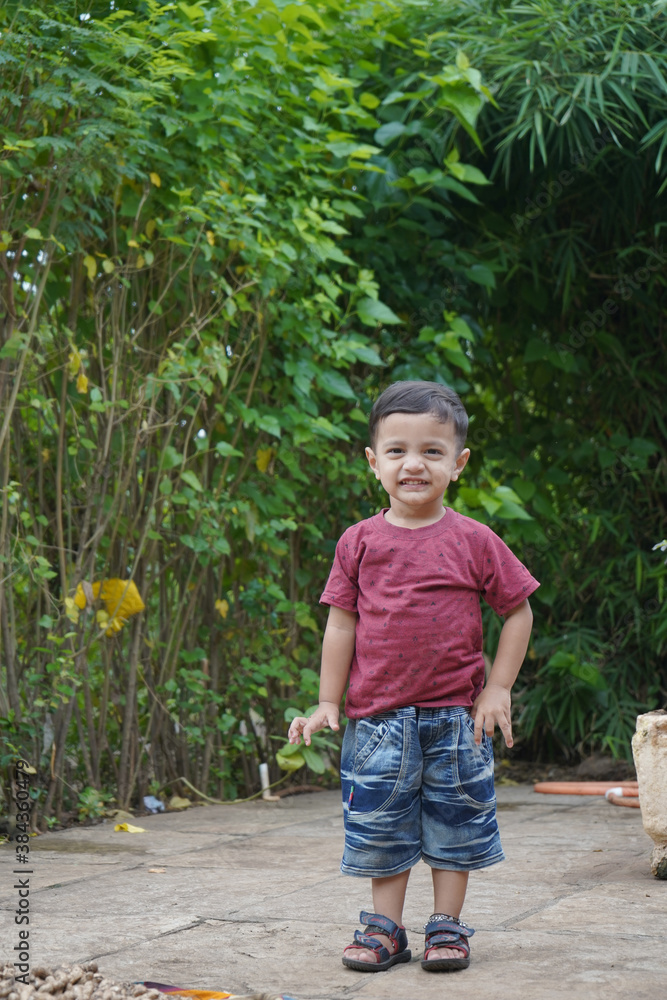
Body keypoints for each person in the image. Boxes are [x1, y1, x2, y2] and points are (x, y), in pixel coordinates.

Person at [288, 380, 539, 973]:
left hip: (457, 717)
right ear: (374, 462)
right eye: (397, 450)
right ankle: (386, 930)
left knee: (456, 822)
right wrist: (329, 700)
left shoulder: (476, 540)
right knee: (380, 826)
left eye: (432, 450)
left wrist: (497, 687)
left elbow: (519, 611)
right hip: (377, 721)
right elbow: (341, 626)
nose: (414, 464)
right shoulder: (359, 542)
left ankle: (447, 926)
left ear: (458, 462)